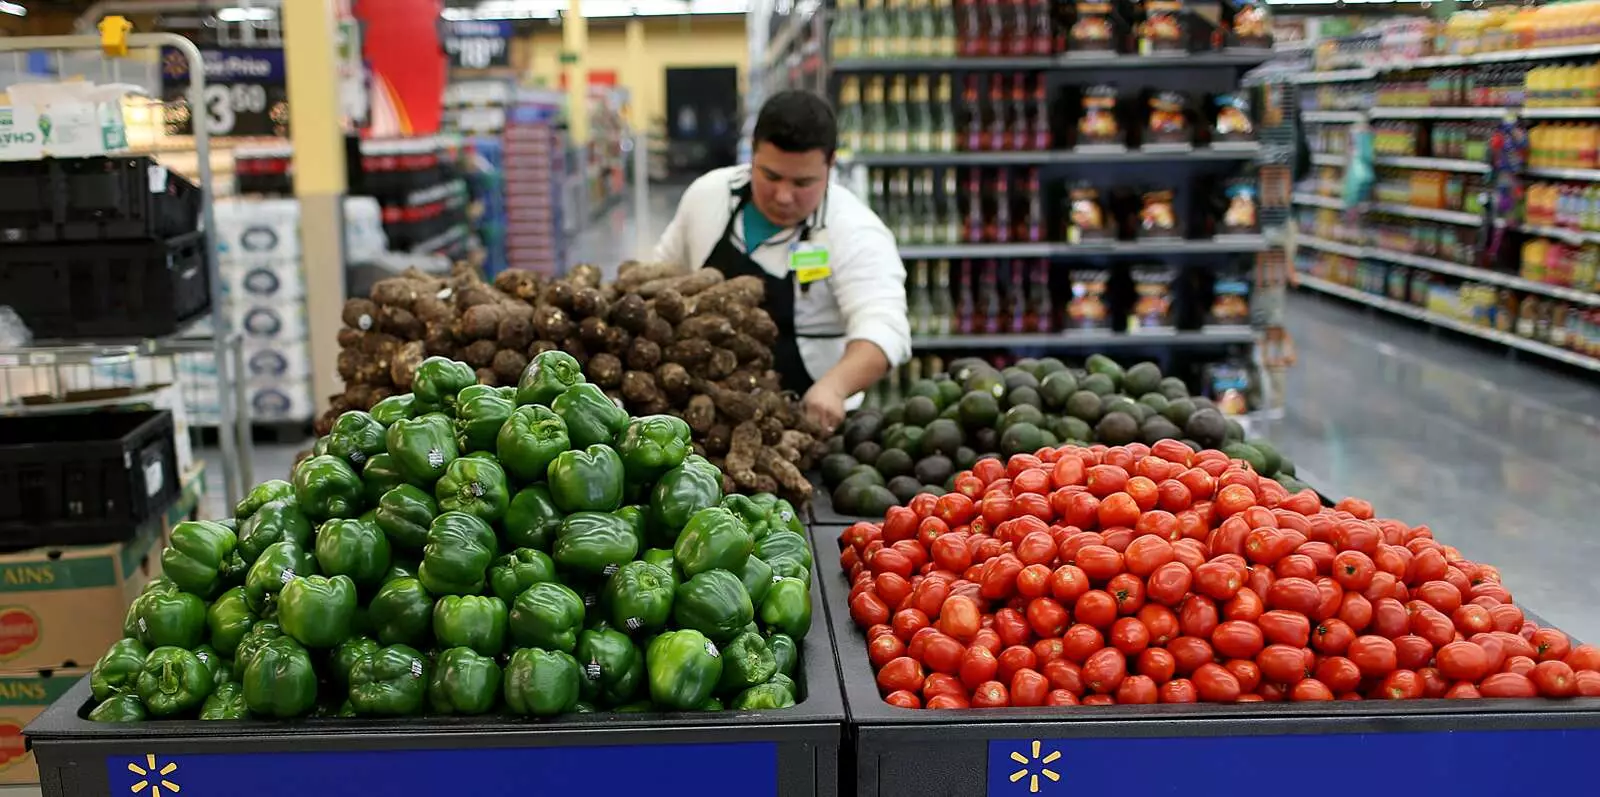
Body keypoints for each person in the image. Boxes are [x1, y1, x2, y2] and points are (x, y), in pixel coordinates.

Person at [652, 90, 910, 435]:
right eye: (770, 176)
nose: (783, 196)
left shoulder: (855, 230)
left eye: (803, 182)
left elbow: (884, 329)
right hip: (702, 417)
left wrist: (834, 388)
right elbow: (659, 276)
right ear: (753, 153)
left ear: (831, 165)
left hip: (806, 423)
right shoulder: (707, 197)